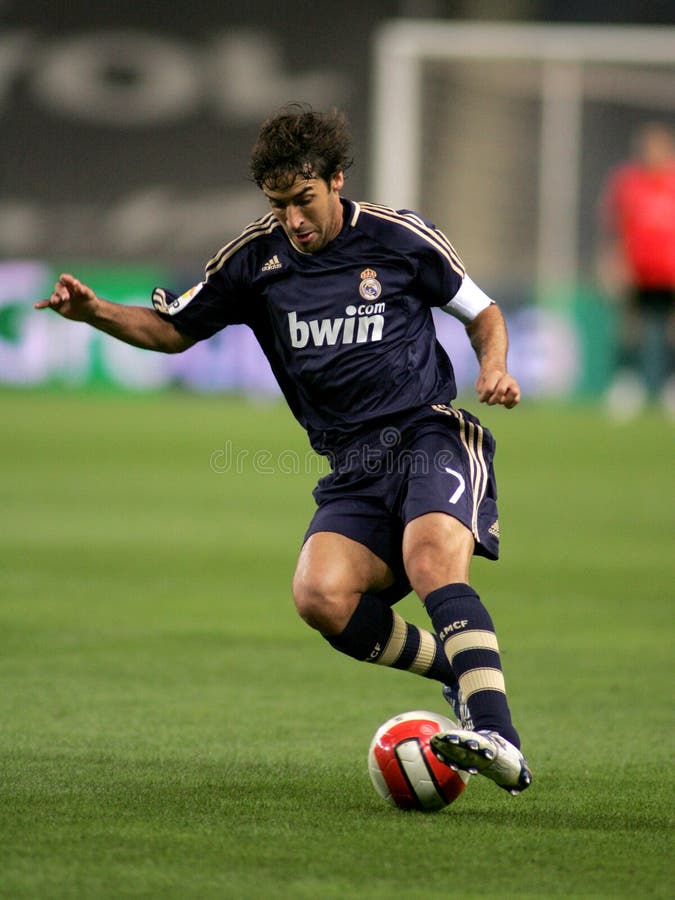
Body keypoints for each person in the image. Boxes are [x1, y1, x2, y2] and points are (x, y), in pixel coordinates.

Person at [35, 105, 532, 795]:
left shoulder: (397, 238)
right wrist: (94, 313)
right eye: (279, 205)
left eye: (304, 201)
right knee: (319, 596)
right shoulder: (253, 260)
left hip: (429, 434)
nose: (294, 220)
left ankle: (497, 736)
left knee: (428, 559)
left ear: (334, 181)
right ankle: (459, 671)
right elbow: (172, 330)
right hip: (351, 465)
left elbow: (481, 312)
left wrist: (493, 367)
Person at [598, 121, 675, 418]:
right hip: (636, 270)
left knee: (670, 330)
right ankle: (627, 385)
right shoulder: (628, 182)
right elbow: (614, 226)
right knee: (630, 329)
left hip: (669, 271)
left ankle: (670, 385)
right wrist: (613, 260)